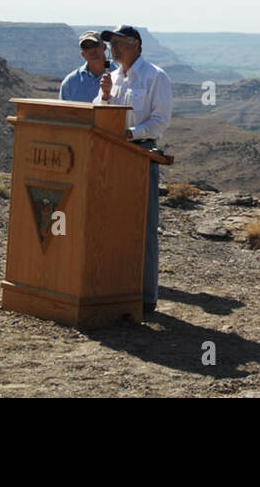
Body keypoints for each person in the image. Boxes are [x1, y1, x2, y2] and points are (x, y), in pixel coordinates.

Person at [97, 25, 172, 314]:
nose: (113, 48)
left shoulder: (155, 76)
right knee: (112, 222)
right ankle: (115, 288)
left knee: (143, 226)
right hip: (110, 156)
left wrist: (128, 135)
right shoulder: (112, 78)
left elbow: (159, 121)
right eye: (111, 43)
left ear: (136, 44)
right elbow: (100, 114)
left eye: (119, 42)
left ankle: (145, 296)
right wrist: (104, 97)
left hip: (139, 155)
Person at [58, 31, 117, 103]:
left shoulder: (120, 76)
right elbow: (62, 111)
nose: (92, 50)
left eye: (95, 45)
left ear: (104, 47)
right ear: (82, 54)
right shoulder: (70, 82)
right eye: (86, 47)